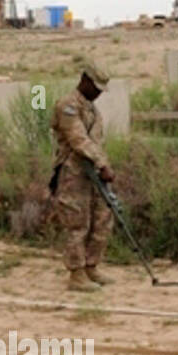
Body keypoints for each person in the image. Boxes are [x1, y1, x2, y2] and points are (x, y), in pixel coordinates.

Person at [49, 60, 115, 292]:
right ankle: (76, 274)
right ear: (84, 80)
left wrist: (102, 165)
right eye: (95, 87)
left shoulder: (91, 109)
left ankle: (91, 266)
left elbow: (97, 141)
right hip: (73, 172)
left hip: (94, 173)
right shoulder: (67, 106)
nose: (98, 93)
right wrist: (102, 163)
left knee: (102, 219)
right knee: (77, 223)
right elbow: (78, 140)